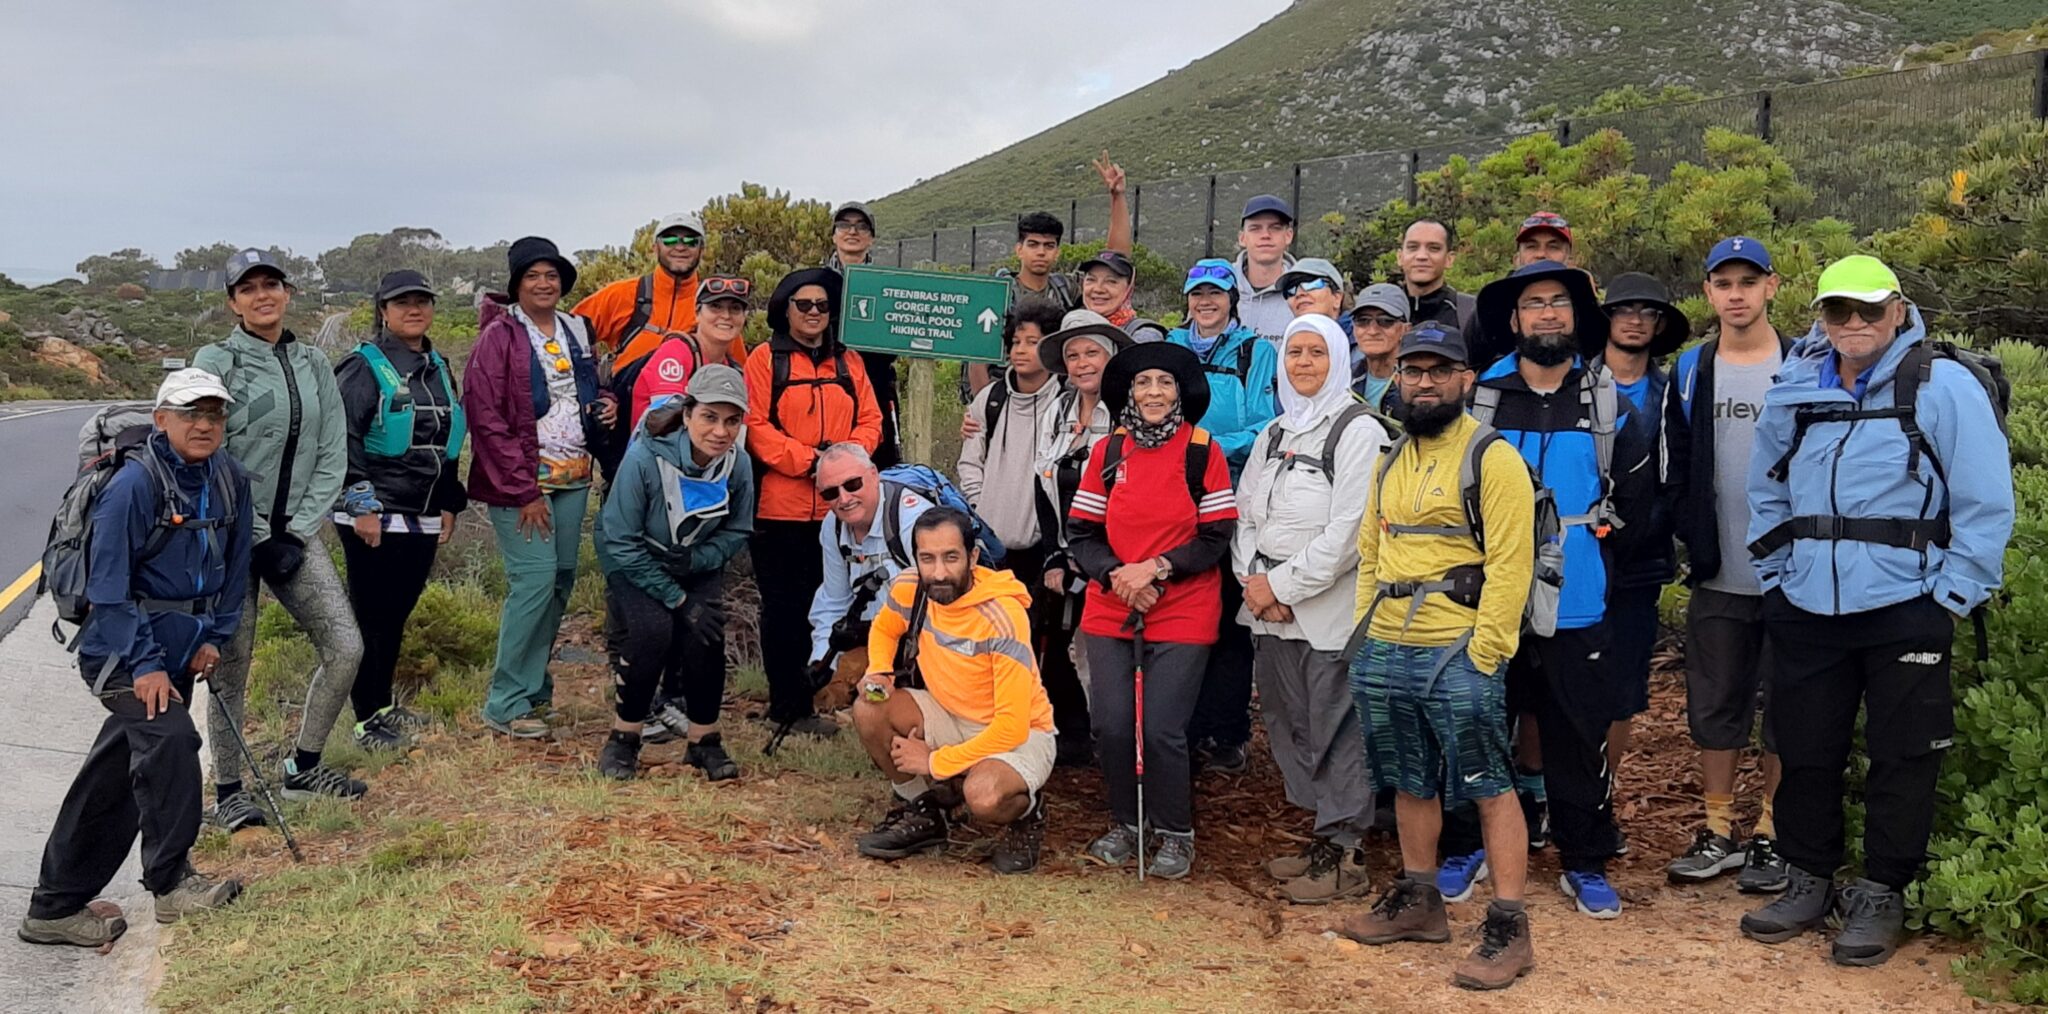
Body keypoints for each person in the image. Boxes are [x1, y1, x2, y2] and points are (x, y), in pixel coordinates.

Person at [1739, 255, 2013, 966]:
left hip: (1907, 604)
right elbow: (1765, 487)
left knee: (1903, 755)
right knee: (1803, 748)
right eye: (1839, 311)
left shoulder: (1941, 385)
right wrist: (1775, 573)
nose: (1854, 324)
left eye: (1868, 310)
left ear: (1898, 309)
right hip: (1804, 601)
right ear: (1821, 316)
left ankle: (1883, 891)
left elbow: (1986, 500)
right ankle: (1808, 876)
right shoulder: (1796, 385)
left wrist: (1951, 597)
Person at [17, 369, 251, 948]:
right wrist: (144, 665)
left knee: (118, 773)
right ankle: (172, 886)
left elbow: (236, 569)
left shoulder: (230, 479)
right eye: (190, 413)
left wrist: (213, 637)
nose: (203, 425)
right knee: (171, 743)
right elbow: (109, 588)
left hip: (181, 648)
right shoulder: (133, 485)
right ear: (162, 419)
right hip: (120, 651)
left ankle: (54, 907)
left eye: (214, 414)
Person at [1339, 323, 1537, 990]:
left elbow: (1512, 566)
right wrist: (1368, 634)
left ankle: (1509, 927)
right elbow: (1373, 552)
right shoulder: (1389, 459)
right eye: (1413, 371)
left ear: (1465, 378)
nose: (1425, 382)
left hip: (1459, 649)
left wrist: (1487, 651)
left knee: (1486, 779)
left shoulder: (1493, 458)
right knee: (1407, 776)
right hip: (1388, 643)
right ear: (1397, 378)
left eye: (1439, 370)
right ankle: (1419, 902)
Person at [1466, 260, 1628, 918]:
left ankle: (1583, 860)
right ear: (1514, 320)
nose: (1547, 314)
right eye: (1533, 303)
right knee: (1478, 722)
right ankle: (1464, 847)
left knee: (1573, 732)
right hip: (1488, 589)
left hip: (1578, 594)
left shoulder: (1603, 397)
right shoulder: (1484, 396)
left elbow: (1632, 496)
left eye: (1559, 302)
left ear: (1576, 315)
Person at [194, 249, 367, 821]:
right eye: (248, 288)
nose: (262, 295)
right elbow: (208, 451)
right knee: (233, 663)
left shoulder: (315, 363)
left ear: (287, 292)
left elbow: (331, 451)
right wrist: (258, 531)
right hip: (228, 539)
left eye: (271, 284)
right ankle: (229, 793)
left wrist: (295, 530)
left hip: (294, 536)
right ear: (232, 302)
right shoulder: (217, 361)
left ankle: (303, 767)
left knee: (346, 647)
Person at [1068, 342, 1237, 880]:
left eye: (1164, 383)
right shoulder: (1108, 452)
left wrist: (1156, 570)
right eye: (1144, 384)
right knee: (1112, 724)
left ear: (1180, 391)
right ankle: (1127, 822)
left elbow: (1215, 536)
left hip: (1184, 604)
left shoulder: (1201, 451)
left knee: (1163, 727)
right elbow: (1082, 532)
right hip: (1113, 600)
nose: (1154, 393)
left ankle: (1175, 831)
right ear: (1129, 393)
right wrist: (1121, 575)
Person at [1235, 314, 1388, 904]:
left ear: (1337, 360)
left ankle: (1347, 853)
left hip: (1328, 614)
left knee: (1336, 728)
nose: (1303, 363)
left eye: (1316, 353)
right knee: (1289, 722)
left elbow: (1350, 534)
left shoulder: (1359, 432)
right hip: (1268, 608)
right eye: (1294, 352)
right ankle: (1324, 833)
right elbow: (1245, 514)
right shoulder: (1274, 433)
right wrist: (1254, 582)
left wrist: (1279, 588)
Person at [1662, 237, 1793, 891]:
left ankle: (1772, 831)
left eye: (1749, 280)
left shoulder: (1805, 365)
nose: (1736, 293)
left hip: (1795, 578)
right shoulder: (1691, 370)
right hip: (1718, 574)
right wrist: (1689, 541)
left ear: (1773, 286)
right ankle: (1718, 829)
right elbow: (1678, 463)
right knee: (1715, 706)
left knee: (1789, 708)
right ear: (1709, 292)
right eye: (1723, 282)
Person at [463, 237, 618, 739]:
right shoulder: (500, 336)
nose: (544, 283)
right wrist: (522, 489)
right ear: (516, 285)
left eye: (551, 275)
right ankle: (504, 701)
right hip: (523, 484)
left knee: (560, 580)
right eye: (533, 275)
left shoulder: (576, 328)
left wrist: (608, 403)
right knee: (533, 581)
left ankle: (533, 690)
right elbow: (485, 417)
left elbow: (584, 390)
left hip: (573, 475)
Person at [852, 509, 1061, 873]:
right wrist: (879, 671)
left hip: (1019, 734)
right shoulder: (910, 587)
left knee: (982, 795)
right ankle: (921, 811)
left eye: (951, 557)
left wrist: (934, 762)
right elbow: (886, 628)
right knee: (869, 708)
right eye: (927, 558)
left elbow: (1010, 727)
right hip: (948, 711)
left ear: (973, 557)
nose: (938, 572)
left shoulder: (1003, 615)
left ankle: (1027, 813)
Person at [592, 365, 754, 781]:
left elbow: (738, 528)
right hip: (635, 558)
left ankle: (704, 742)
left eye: (732, 421)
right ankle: (623, 739)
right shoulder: (645, 457)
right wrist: (678, 599)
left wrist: (697, 563)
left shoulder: (738, 464)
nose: (720, 431)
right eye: (710, 417)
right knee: (653, 630)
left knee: (707, 633)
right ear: (687, 415)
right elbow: (621, 539)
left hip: (695, 558)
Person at [333, 270, 469, 749]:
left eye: (422, 301)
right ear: (383, 311)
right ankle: (364, 719)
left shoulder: (438, 366)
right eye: (402, 302)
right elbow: (342, 438)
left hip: (423, 515)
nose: (414, 310)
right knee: (370, 617)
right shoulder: (362, 367)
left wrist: (450, 502)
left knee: (396, 615)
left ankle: (383, 705)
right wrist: (361, 503)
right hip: (374, 514)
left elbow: (448, 444)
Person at [745, 267, 883, 740]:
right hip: (780, 509)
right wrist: (811, 464)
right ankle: (787, 705)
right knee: (784, 609)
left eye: (822, 306)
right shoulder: (765, 360)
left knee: (836, 607)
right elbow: (755, 427)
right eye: (804, 305)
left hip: (840, 513)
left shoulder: (849, 362)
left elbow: (871, 419)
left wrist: (844, 468)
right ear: (785, 309)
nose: (813, 314)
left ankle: (829, 694)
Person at [1165, 259, 1277, 774]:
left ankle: (1228, 734)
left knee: (1231, 619)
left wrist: (1203, 448)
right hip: (1168, 500)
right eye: (1197, 293)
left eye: (1216, 293)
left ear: (1233, 298)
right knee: (1179, 614)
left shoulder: (1257, 351)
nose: (1205, 302)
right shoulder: (1170, 345)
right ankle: (1178, 731)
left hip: (1230, 499)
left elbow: (1266, 423)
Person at [1593, 273, 1685, 787]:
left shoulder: (1673, 393)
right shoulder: (1574, 384)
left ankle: (1602, 786)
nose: (1634, 319)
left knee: (1623, 684)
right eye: (1623, 309)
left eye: (1646, 311)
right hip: (1576, 556)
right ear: (1606, 319)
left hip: (1641, 562)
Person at [1032, 310, 1133, 764]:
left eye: (1092, 352)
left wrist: (1091, 557)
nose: (1082, 363)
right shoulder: (1057, 410)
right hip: (1068, 550)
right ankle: (1086, 739)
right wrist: (1056, 554)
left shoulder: (1130, 413)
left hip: (1115, 556)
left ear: (1111, 356)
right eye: (1073, 355)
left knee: (1110, 655)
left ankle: (1126, 750)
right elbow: (1043, 481)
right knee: (1067, 650)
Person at [807, 443, 935, 697]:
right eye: (831, 493)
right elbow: (833, 601)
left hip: (930, 643)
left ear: (875, 475)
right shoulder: (832, 527)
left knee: (877, 707)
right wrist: (823, 661)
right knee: (867, 700)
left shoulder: (915, 521)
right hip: (880, 637)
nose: (844, 499)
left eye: (853, 484)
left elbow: (945, 608)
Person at [958, 301, 1067, 597]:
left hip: (1045, 547)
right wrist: (980, 504)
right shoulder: (990, 399)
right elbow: (970, 461)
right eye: (1015, 342)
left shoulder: (1067, 402)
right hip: (990, 546)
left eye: (1033, 343)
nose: (1020, 350)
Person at [574, 212, 705, 444]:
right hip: (622, 429)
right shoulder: (621, 295)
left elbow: (735, 372)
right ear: (655, 248)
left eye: (690, 240)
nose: (680, 246)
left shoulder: (712, 307)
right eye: (671, 240)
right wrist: (599, 394)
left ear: (702, 250)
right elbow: (567, 339)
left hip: (691, 434)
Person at [822, 202, 901, 468]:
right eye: (844, 225)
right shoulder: (815, 282)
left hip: (876, 386)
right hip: (826, 384)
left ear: (871, 237)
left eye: (861, 226)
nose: (852, 231)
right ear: (834, 234)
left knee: (880, 464)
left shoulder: (887, 283)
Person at [970, 211, 1079, 399]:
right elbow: (978, 361)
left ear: (1057, 252)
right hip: (1005, 395)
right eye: (1033, 244)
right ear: (1019, 249)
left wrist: (1116, 196)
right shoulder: (999, 293)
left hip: (1053, 399)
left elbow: (1114, 264)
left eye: (1049, 246)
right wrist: (986, 410)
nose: (1041, 252)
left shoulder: (1065, 289)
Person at [627, 274, 753, 427]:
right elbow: (664, 423)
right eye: (715, 306)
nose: (726, 316)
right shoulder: (675, 353)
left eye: (735, 308)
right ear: (697, 313)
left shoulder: (732, 369)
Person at [1234, 195, 1299, 340]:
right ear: (1242, 238)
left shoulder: (1304, 291)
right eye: (1255, 228)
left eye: (1275, 228)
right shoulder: (1220, 285)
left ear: (1288, 236)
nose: (1265, 235)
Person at [1400, 217, 1477, 337]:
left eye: (1434, 248)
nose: (1421, 256)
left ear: (1449, 259)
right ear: (1400, 257)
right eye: (1413, 247)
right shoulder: (1378, 314)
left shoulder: (1470, 313)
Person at [1350, 282, 1410, 413]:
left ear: (1406, 330)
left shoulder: (1418, 383)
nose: (1372, 331)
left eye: (1385, 321)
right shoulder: (1345, 380)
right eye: (1362, 320)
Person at [1278, 258, 1348, 329]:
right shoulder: (1290, 337)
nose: (1299, 293)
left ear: (1337, 298)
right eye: (1291, 289)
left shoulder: (1356, 336)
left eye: (1311, 284)